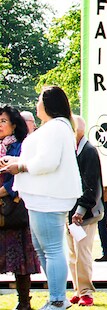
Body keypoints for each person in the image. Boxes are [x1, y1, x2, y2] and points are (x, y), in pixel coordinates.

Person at [0, 87, 81, 310]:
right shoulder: (56, 127)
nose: (36, 105)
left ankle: (57, 299)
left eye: (39, 100)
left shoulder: (56, 128)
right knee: (44, 248)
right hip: (41, 198)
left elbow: (48, 161)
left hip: (48, 198)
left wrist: (21, 165)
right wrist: (15, 160)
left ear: (48, 104)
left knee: (52, 249)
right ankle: (56, 297)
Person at [0, 105, 39, 310]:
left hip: (15, 210)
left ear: (14, 125)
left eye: (3, 121)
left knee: (21, 261)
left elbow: (22, 175)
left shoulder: (21, 147)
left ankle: (24, 302)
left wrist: (4, 191)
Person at [66, 115, 102, 307]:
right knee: (72, 253)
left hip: (85, 213)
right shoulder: (69, 150)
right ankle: (77, 289)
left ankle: (86, 291)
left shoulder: (88, 151)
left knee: (83, 252)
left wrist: (81, 209)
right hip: (68, 210)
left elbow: (92, 185)